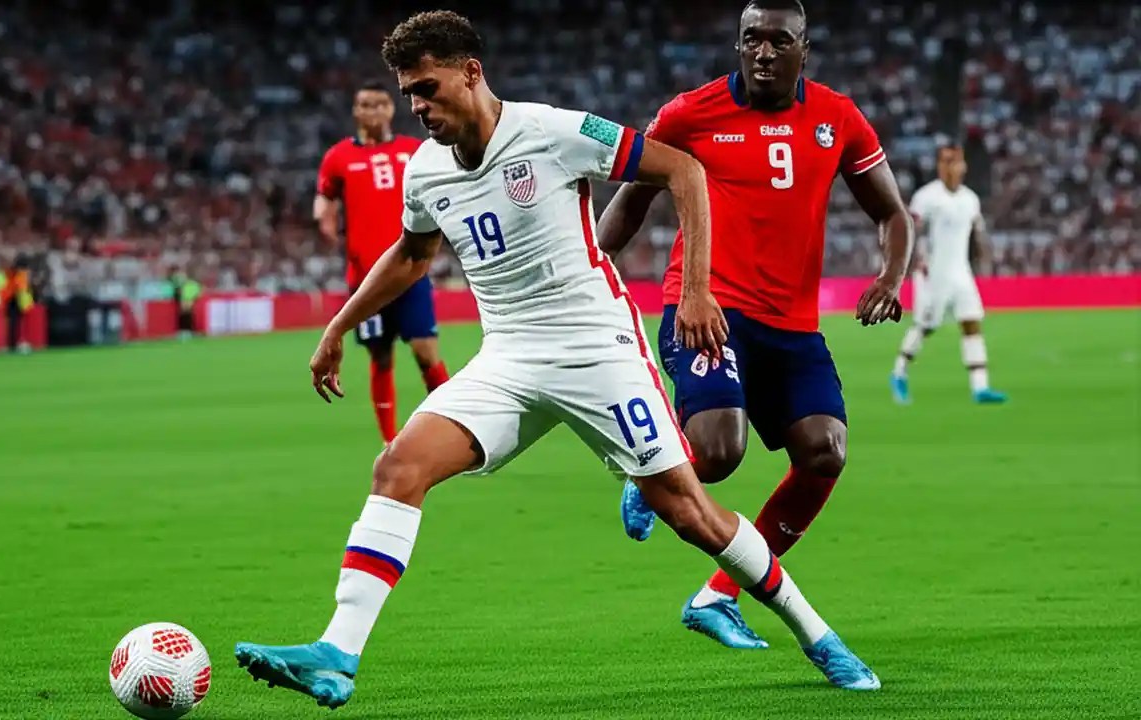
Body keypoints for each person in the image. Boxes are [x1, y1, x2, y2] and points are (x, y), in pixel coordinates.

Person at [234, 10, 880, 709]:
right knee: (398, 466)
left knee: (690, 512)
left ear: (471, 73)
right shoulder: (424, 172)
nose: (416, 107)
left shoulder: (554, 131)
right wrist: (339, 325)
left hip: (596, 352)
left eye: (427, 88)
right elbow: (414, 254)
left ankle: (819, 637)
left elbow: (684, 170)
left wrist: (695, 290)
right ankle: (337, 654)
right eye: (408, 92)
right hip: (507, 360)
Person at [600, 0, 913, 650]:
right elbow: (630, 204)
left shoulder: (838, 117)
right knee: (717, 453)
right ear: (737, 44)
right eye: (751, 39)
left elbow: (892, 213)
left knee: (826, 453)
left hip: (793, 328)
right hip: (709, 310)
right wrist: (589, 278)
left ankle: (720, 596)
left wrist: (889, 277)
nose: (763, 52)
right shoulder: (690, 113)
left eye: (778, 40)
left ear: (805, 47)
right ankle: (650, 474)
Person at [316, 80, 450, 445]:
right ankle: (390, 441)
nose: (372, 111)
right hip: (365, 279)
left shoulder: (415, 151)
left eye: (379, 104)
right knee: (381, 356)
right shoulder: (338, 157)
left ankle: (456, 426)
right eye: (364, 105)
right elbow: (324, 198)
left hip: (410, 273)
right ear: (356, 111)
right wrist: (324, 219)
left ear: (391, 109)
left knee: (426, 353)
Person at [892, 145, 1007, 404]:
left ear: (963, 165)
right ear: (939, 166)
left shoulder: (970, 199)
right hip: (935, 272)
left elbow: (977, 233)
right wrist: (909, 263)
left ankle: (980, 388)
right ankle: (899, 372)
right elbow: (912, 230)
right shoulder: (927, 197)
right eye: (945, 161)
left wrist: (986, 258)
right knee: (926, 325)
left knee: (972, 322)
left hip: (961, 272)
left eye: (954, 161)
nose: (950, 166)